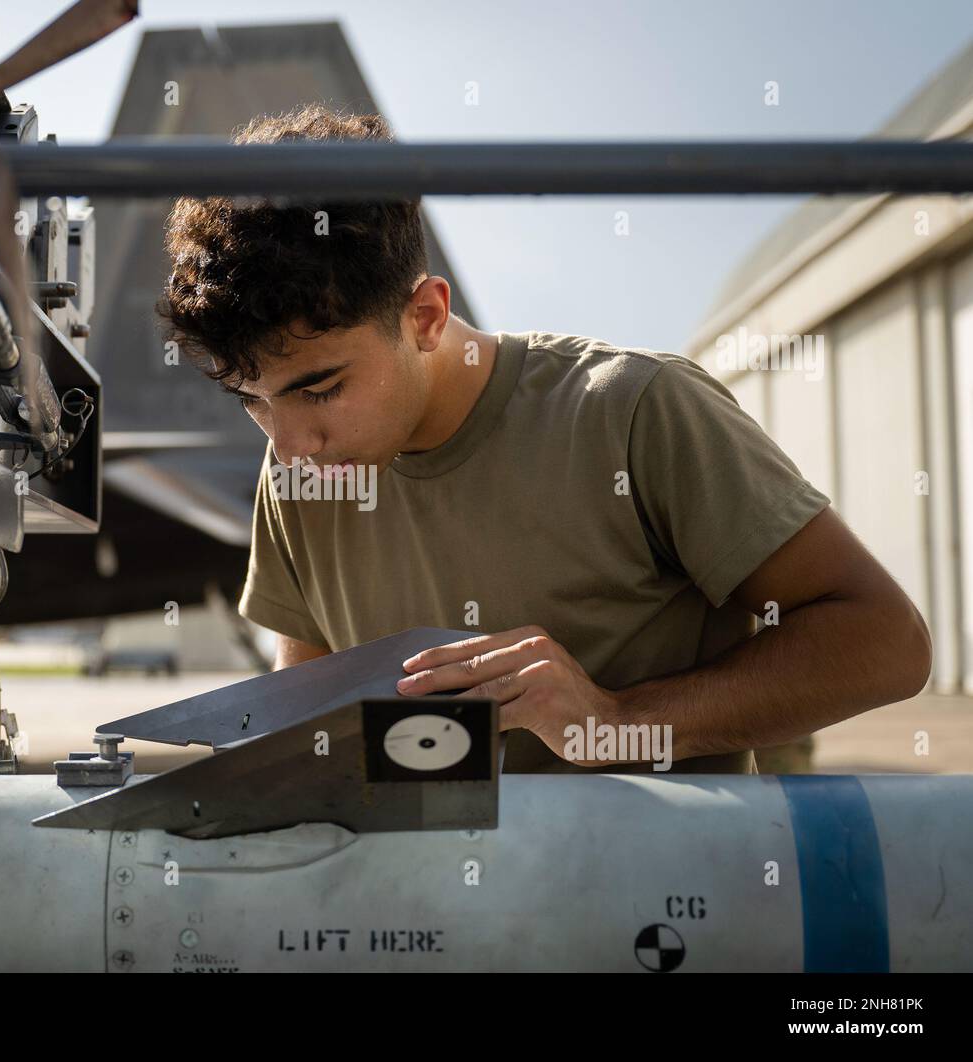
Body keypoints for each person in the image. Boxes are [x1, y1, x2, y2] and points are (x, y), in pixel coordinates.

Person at [155, 104, 931, 774]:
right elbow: (310, 731)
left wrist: (620, 721)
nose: (292, 449)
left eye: (318, 388)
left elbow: (884, 640)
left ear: (424, 315)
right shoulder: (301, 467)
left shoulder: (634, 411)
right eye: (251, 402)